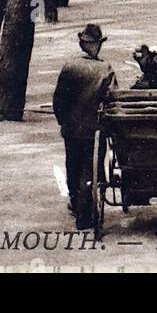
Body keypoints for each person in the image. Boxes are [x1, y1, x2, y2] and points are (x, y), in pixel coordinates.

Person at [52, 23, 116, 229]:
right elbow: (113, 99)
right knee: (91, 170)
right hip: (95, 129)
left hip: (71, 128)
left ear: (82, 44)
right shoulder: (104, 69)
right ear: (96, 45)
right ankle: (85, 214)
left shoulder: (69, 66)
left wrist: (63, 121)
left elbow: (58, 100)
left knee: (72, 165)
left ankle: (75, 202)